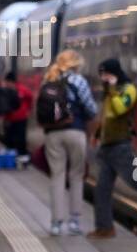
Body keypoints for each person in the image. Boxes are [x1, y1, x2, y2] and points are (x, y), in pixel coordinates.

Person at [88, 57, 137, 239]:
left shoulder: (128, 90)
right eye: (102, 74)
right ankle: (105, 227)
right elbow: (107, 116)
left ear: (115, 73)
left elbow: (119, 109)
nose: (104, 77)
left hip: (122, 145)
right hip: (108, 146)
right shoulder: (111, 92)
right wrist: (97, 135)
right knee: (102, 189)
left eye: (107, 73)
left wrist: (111, 89)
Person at [39, 50, 98, 236]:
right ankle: (74, 221)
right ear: (76, 64)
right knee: (76, 175)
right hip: (75, 131)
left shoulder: (49, 79)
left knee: (57, 176)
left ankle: (56, 223)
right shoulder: (79, 81)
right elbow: (91, 109)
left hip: (52, 134)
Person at [0, 71, 33, 155]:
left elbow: (30, 99)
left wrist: (28, 110)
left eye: (8, 82)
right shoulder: (5, 91)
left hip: (21, 119)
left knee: (20, 139)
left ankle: (22, 156)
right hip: (9, 119)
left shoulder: (23, 90)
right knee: (9, 139)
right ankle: (11, 156)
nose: (7, 84)